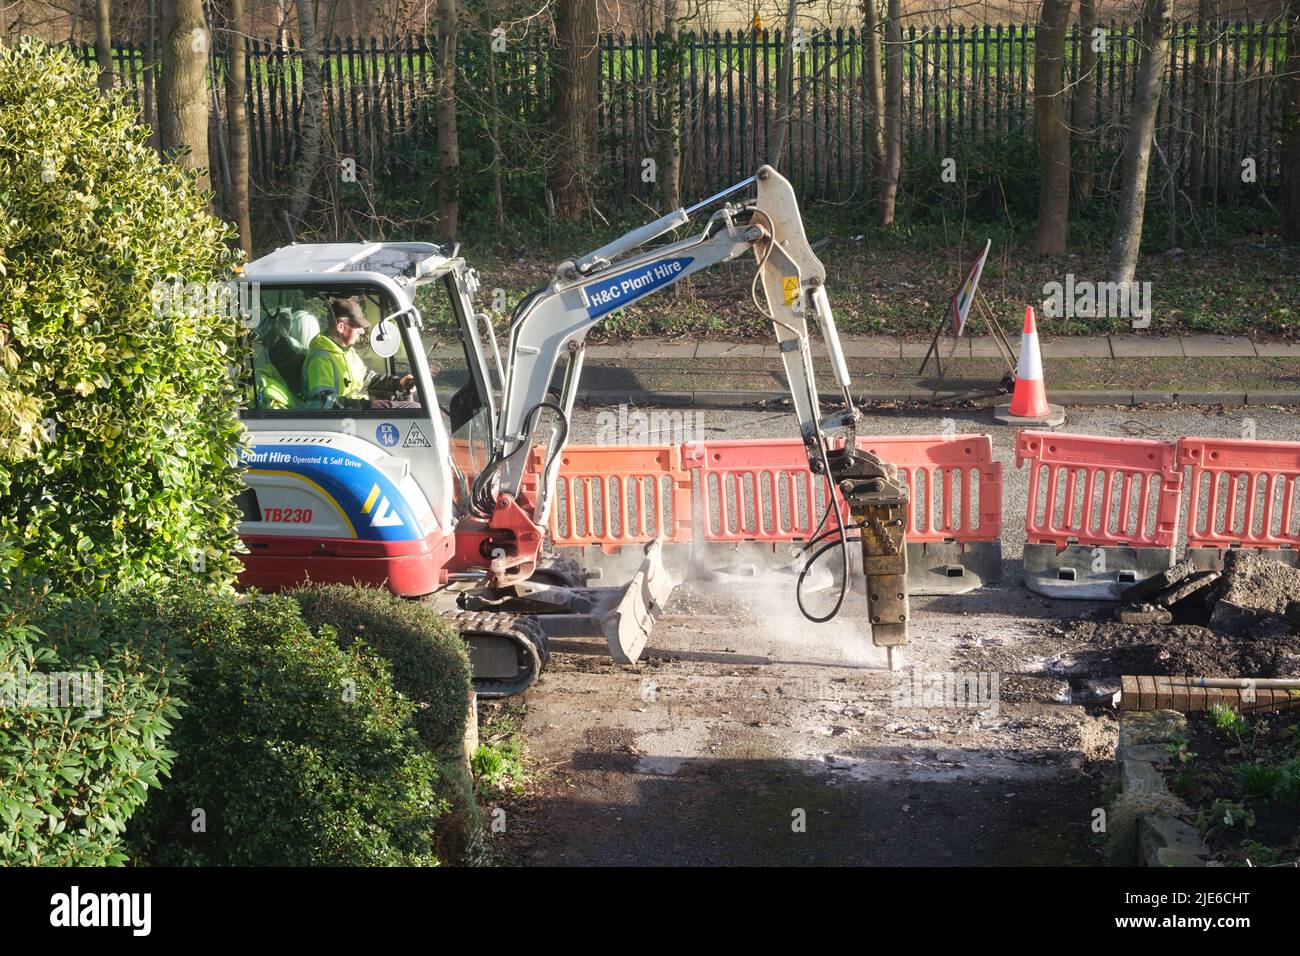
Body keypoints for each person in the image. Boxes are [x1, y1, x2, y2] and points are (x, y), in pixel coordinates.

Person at [303, 297, 416, 408]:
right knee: (414, 409)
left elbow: (367, 378)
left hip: (355, 414)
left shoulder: (347, 351)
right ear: (341, 326)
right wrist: (367, 405)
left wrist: (399, 383)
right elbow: (325, 401)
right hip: (344, 420)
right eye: (357, 326)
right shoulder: (320, 360)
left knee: (412, 407)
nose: (362, 331)